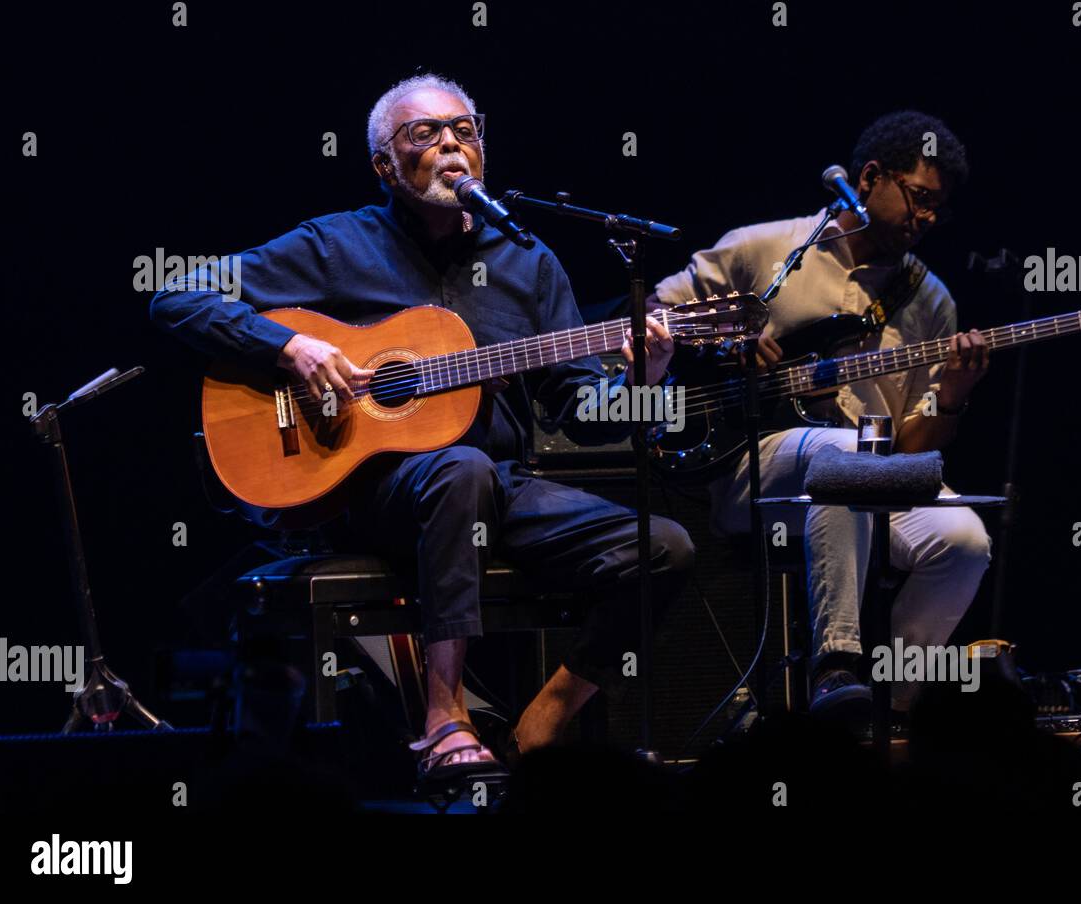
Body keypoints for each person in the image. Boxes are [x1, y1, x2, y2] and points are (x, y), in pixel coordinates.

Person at [152, 73, 694, 780]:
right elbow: (178, 293)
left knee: (664, 547)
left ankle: (547, 719)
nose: (451, 145)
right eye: (425, 133)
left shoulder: (528, 261)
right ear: (385, 165)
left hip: (501, 488)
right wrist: (289, 348)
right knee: (458, 469)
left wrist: (641, 382)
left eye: (465, 131)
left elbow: (578, 410)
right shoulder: (336, 245)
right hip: (370, 494)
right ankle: (446, 716)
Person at [652, 111, 990, 718]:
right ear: (869, 177)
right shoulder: (763, 249)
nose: (927, 218)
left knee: (964, 541)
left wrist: (953, 397)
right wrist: (723, 340)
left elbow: (911, 449)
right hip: (753, 466)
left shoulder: (933, 300)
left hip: (869, 473)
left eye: (938, 209)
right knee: (843, 451)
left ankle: (893, 706)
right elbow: (654, 313)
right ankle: (836, 665)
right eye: (919, 198)